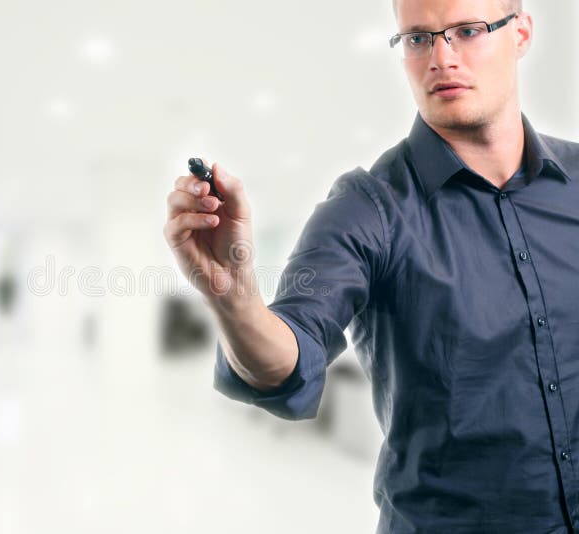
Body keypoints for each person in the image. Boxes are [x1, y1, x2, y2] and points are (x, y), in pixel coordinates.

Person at [164, 0, 579, 532]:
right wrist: (234, 300)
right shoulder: (367, 208)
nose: (441, 58)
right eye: (417, 39)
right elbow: (292, 352)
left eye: (468, 31)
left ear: (520, 34)